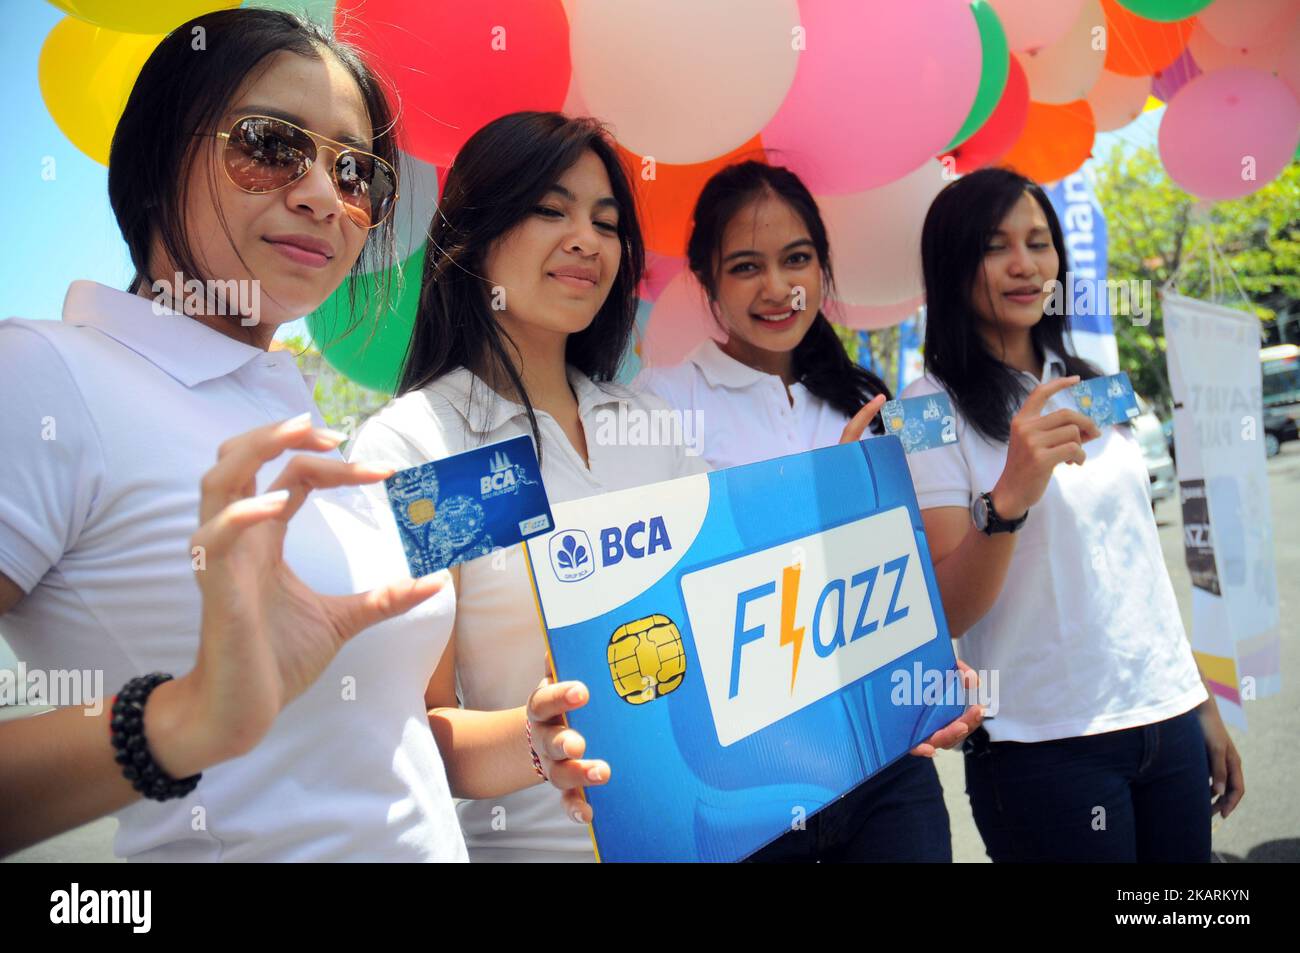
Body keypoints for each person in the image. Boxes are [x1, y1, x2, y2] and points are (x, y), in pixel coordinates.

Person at [0, 9, 594, 862]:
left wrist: (537, 741)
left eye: (358, 173)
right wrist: (184, 718)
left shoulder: (308, 430)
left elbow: (396, 739)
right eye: (271, 144)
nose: (323, 194)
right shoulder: (43, 374)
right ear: (161, 147)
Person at [348, 114, 977, 862]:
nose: (587, 239)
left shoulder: (641, 422)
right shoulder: (429, 446)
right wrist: (536, 740)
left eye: (607, 221)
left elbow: (739, 628)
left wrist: (883, 649)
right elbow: (415, 727)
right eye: (552, 209)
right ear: (473, 234)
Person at [901, 166, 1244, 863]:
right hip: (1041, 744)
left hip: (1165, 716)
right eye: (996, 245)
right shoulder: (925, 406)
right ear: (951, 262)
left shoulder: (1089, 383)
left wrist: (1198, 700)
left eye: (1039, 241)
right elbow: (949, 608)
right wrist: (1009, 497)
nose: (1025, 265)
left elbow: (1137, 559)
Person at [635, 160, 967, 862]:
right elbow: (666, 592)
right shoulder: (662, 401)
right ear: (708, 281)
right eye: (746, 266)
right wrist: (823, 500)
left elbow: (912, 573)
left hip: (886, 760)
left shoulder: (869, 401)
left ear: (822, 267)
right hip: (748, 786)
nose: (779, 287)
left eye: (797, 259)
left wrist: (937, 674)